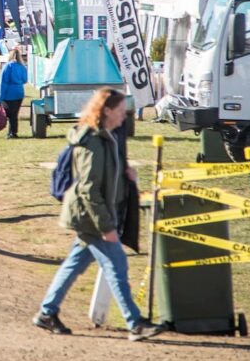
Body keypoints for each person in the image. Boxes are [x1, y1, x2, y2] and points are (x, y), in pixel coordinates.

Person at [34, 88, 165, 342]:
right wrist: (106, 226)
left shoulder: (108, 136)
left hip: (95, 214)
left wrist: (127, 174)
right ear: (106, 111)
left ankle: (47, 313)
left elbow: (106, 174)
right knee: (116, 264)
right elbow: (89, 190)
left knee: (75, 264)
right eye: (119, 112)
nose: (123, 117)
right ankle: (135, 323)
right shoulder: (92, 141)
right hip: (90, 216)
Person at [0, 47, 28, 139]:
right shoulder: (22, 66)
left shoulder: (8, 66)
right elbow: (25, 80)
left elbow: (3, 82)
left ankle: (12, 132)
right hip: (19, 92)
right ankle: (13, 131)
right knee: (14, 114)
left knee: (10, 115)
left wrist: (0, 96)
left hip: (9, 93)